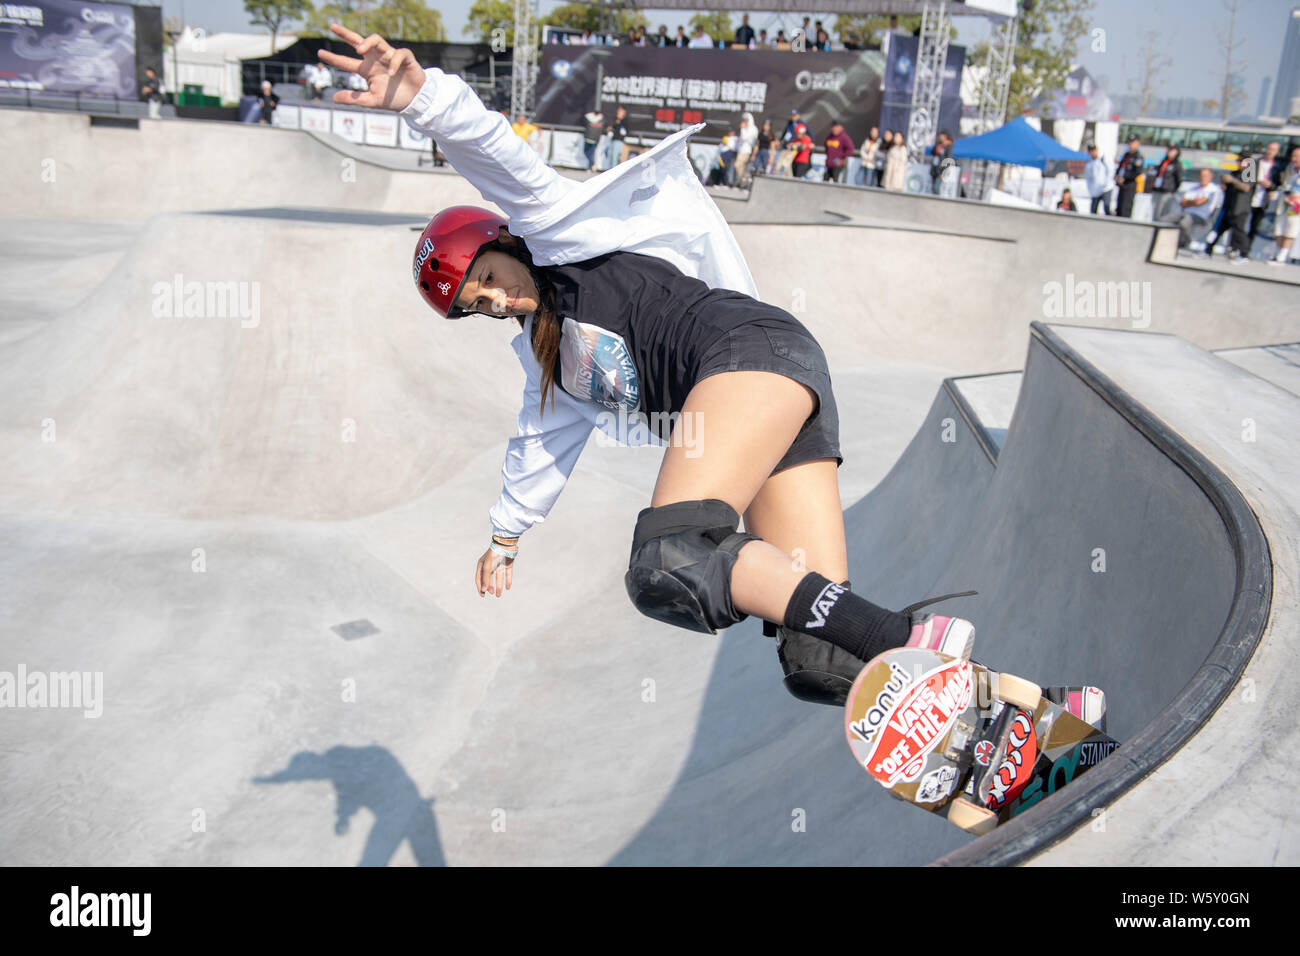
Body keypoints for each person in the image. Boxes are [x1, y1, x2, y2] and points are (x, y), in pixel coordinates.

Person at [316, 23, 980, 707]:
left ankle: (908, 636)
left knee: (673, 557)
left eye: (487, 274)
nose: (495, 297)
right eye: (478, 303)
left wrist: (421, 100)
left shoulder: (557, 234)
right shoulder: (552, 365)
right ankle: (1005, 713)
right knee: (821, 659)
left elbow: (495, 155)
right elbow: (539, 445)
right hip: (767, 397)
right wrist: (505, 535)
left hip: (747, 352)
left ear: (503, 241)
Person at [1164, 168, 1222, 251]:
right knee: (1166, 219)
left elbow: (1199, 202)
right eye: (1201, 176)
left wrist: (1190, 202)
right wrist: (1193, 202)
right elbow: (1183, 202)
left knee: (1185, 222)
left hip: (1200, 216)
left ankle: (1183, 242)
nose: (1203, 178)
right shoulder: (1194, 188)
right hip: (1185, 212)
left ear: (1210, 177)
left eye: (1205, 176)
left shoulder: (1213, 189)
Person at [1219, 154, 1256, 264]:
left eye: (1241, 161)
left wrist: (1233, 181)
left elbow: (1246, 187)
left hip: (1241, 207)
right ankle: (1211, 249)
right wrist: (1224, 183)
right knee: (1224, 229)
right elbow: (1228, 188)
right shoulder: (1235, 173)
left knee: (1240, 231)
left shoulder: (1249, 173)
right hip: (1231, 206)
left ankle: (1244, 254)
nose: (1238, 163)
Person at [1270, 146, 1300, 265]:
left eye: (1297, 156)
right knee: (1280, 227)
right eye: (1293, 156)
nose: (1294, 159)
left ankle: (1282, 256)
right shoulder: (1289, 169)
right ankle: (1277, 253)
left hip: (1296, 205)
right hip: (1283, 202)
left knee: (1290, 228)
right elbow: (1284, 186)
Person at [1150, 145, 1183, 220]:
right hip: (1157, 189)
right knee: (1155, 211)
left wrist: (1172, 190)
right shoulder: (1164, 162)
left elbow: (1178, 180)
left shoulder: (1177, 164)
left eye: (1172, 150)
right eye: (1168, 149)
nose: (1169, 152)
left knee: (1163, 213)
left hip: (1167, 192)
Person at [1114, 136, 1144, 218]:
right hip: (1121, 184)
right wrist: (1117, 176)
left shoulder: (1138, 156)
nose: (1130, 144)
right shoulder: (1126, 155)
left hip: (1129, 185)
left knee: (1125, 208)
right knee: (1119, 207)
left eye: (1132, 142)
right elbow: (1120, 167)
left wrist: (1125, 178)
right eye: (1129, 142)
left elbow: (1137, 172)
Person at [1083, 143, 1113, 215]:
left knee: (1106, 207)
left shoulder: (1103, 159)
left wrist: (1106, 183)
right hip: (1095, 190)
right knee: (1093, 209)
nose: (1093, 152)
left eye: (1094, 150)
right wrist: (1091, 190)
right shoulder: (1089, 164)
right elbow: (1088, 178)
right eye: (1091, 151)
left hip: (1106, 188)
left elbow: (1110, 171)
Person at [733, 112, 759, 187]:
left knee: (738, 165)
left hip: (746, 151)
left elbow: (745, 138)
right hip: (741, 150)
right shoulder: (746, 129)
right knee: (741, 167)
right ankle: (743, 182)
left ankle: (743, 181)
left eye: (746, 120)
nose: (745, 122)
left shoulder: (753, 129)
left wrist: (742, 129)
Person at [604, 105, 628, 170]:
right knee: (610, 155)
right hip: (612, 140)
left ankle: (614, 171)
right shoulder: (615, 119)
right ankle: (609, 170)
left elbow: (623, 131)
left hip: (618, 141)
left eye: (620, 110)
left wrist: (619, 120)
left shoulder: (624, 121)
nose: (618, 111)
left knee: (615, 157)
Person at [929, 130, 952, 196]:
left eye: (941, 136)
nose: (940, 137)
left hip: (941, 170)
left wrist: (943, 171)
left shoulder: (948, 146)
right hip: (935, 168)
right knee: (933, 188)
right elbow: (932, 152)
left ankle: (937, 203)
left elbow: (948, 159)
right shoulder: (938, 144)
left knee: (936, 188)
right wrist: (937, 147)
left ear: (945, 136)